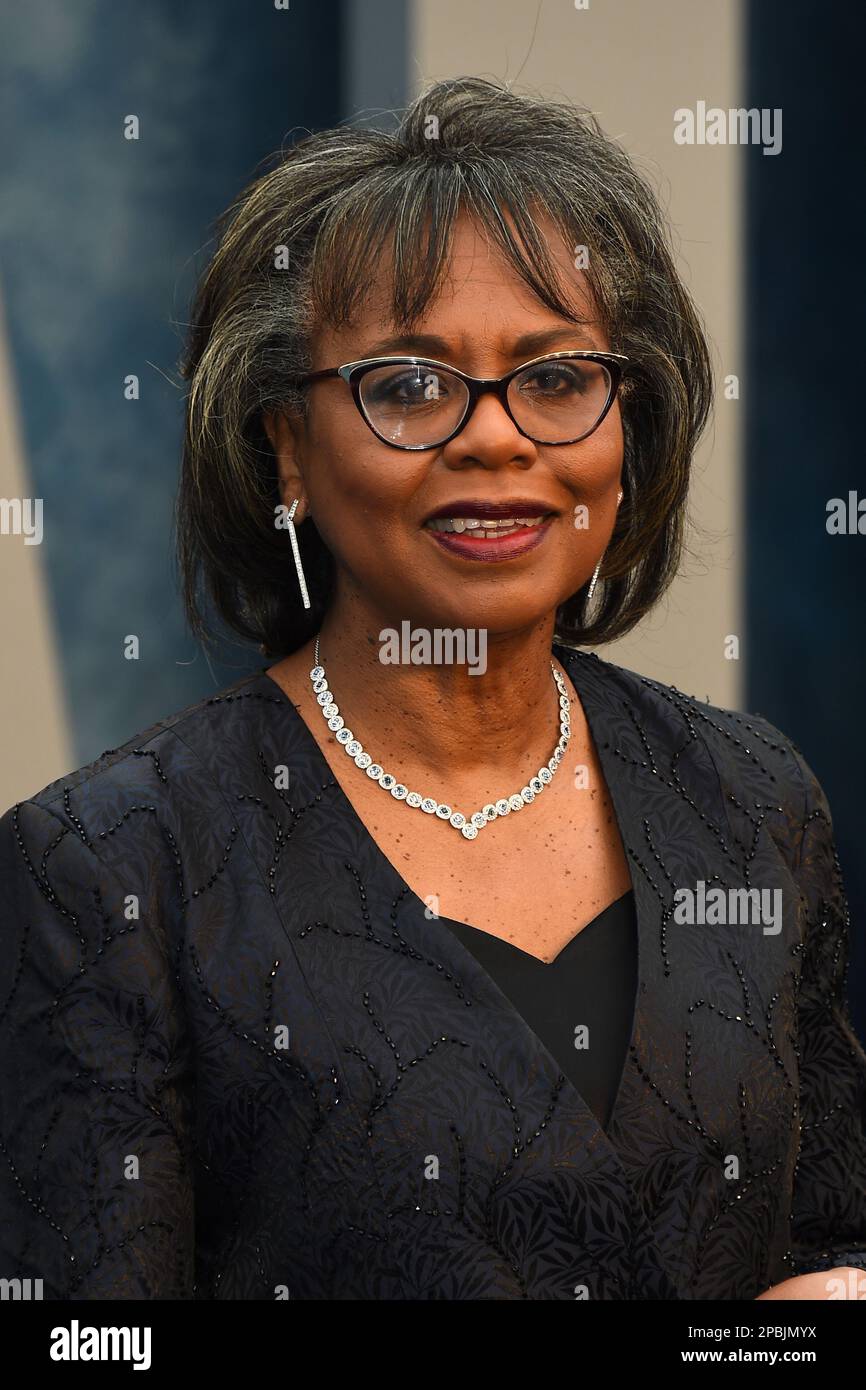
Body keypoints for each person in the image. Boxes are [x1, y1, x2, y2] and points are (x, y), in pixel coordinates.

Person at [1, 75, 864, 1301]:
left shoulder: (751, 798)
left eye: (556, 376)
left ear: (630, 427)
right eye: (406, 385)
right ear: (284, 449)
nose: (494, 436)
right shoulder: (106, 867)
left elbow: (827, 1233)